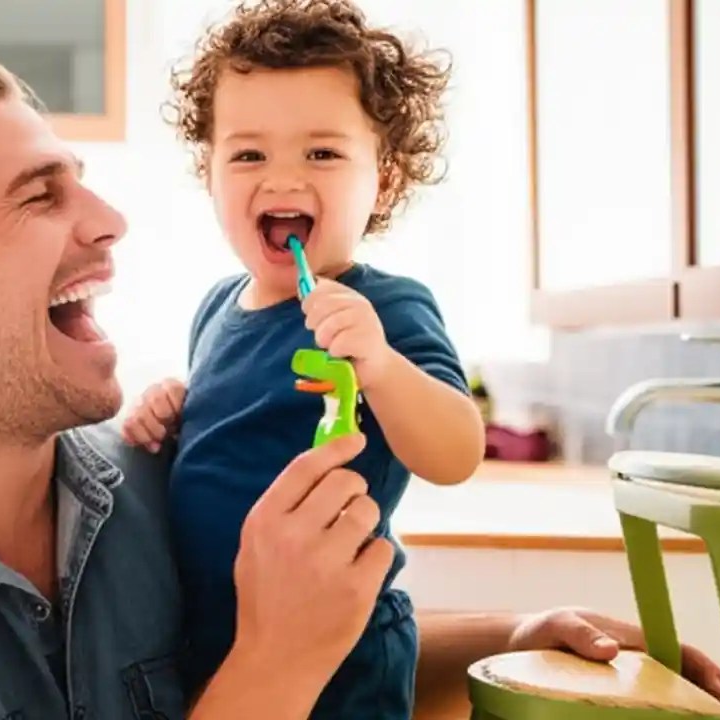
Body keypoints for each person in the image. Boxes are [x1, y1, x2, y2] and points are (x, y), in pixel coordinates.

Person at [0, 43, 720, 719]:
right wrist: (275, 659)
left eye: (82, 183)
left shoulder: (147, 479)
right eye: (38, 194)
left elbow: (296, 656)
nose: (107, 222)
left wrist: (505, 639)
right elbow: (268, 664)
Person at [121, 2, 482, 716]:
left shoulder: (388, 310)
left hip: (345, 658)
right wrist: (172, 409)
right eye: (249, 153)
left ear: (389, 177)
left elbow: (457, 452)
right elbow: (233, 420)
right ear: (211, 172)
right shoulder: (217, 308)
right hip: (216, 644)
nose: (283, 178)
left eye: (322, 153)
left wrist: (379, 364)